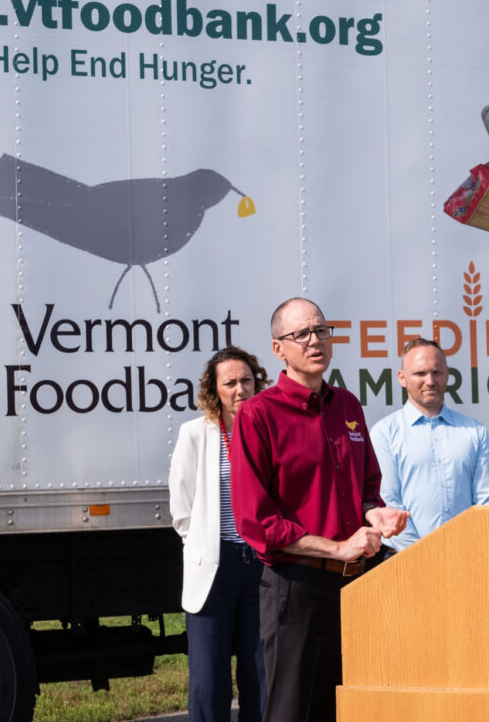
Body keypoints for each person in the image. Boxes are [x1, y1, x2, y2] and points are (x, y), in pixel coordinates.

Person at [229, 297, 409, 722]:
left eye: (322, 330)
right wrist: (337, 548)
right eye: (302, 334)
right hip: (297, 590)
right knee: (293, 712)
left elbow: (366, 486)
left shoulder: (347, 405)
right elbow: (257, 523)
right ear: (278, 349)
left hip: (356, 586)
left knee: (353, 710)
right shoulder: (257, 415)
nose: (315, 341)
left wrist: (374, 513)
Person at [168, 347, 269, 722]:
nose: (240, 389)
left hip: (261, 564)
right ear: (214, 389)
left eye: (247, 380)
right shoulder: (195, 434)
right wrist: (202, 548)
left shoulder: (267, 431)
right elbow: (182, 508)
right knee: (209, 680)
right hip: (214, 567)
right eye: (230, 383)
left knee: (260, 675)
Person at [371, 337, 489, 551]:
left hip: (466, 556)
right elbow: (389, 502)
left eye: (436, 372)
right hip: (403, 559)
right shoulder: (385, 433)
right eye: (420, 373)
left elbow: (486, 503)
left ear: (447, 374)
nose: (430, 381)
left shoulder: (475, 431)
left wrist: (469, 551)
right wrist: (426, 556)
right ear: (402, 378)